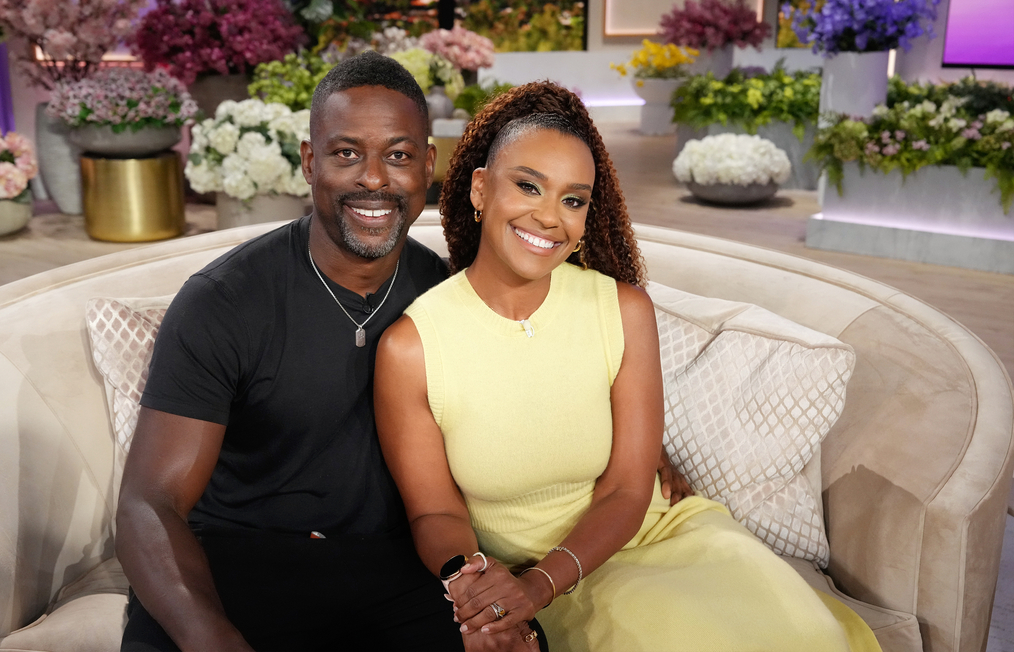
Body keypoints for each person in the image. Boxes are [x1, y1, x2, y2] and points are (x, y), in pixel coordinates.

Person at [373, 82, 883, 652]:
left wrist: (541, 585)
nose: (549, 217)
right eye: (528, 186)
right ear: (480, 188)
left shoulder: (622, 309)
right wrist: (475, 587)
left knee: (808, 637)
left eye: (573, 200)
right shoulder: (412, 347)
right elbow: (434, 513)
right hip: (551, 582)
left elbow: (627, 488)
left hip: (655, 536)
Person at [116, 51, 485, 651]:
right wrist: (212, 638)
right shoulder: (224, 301)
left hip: (389, 565)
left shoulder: (447, 293)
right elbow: (149, 503)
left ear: (427, 165)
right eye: (347, 154)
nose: (374, 178)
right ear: (310, 162)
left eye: (397, 155)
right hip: (237, 561)